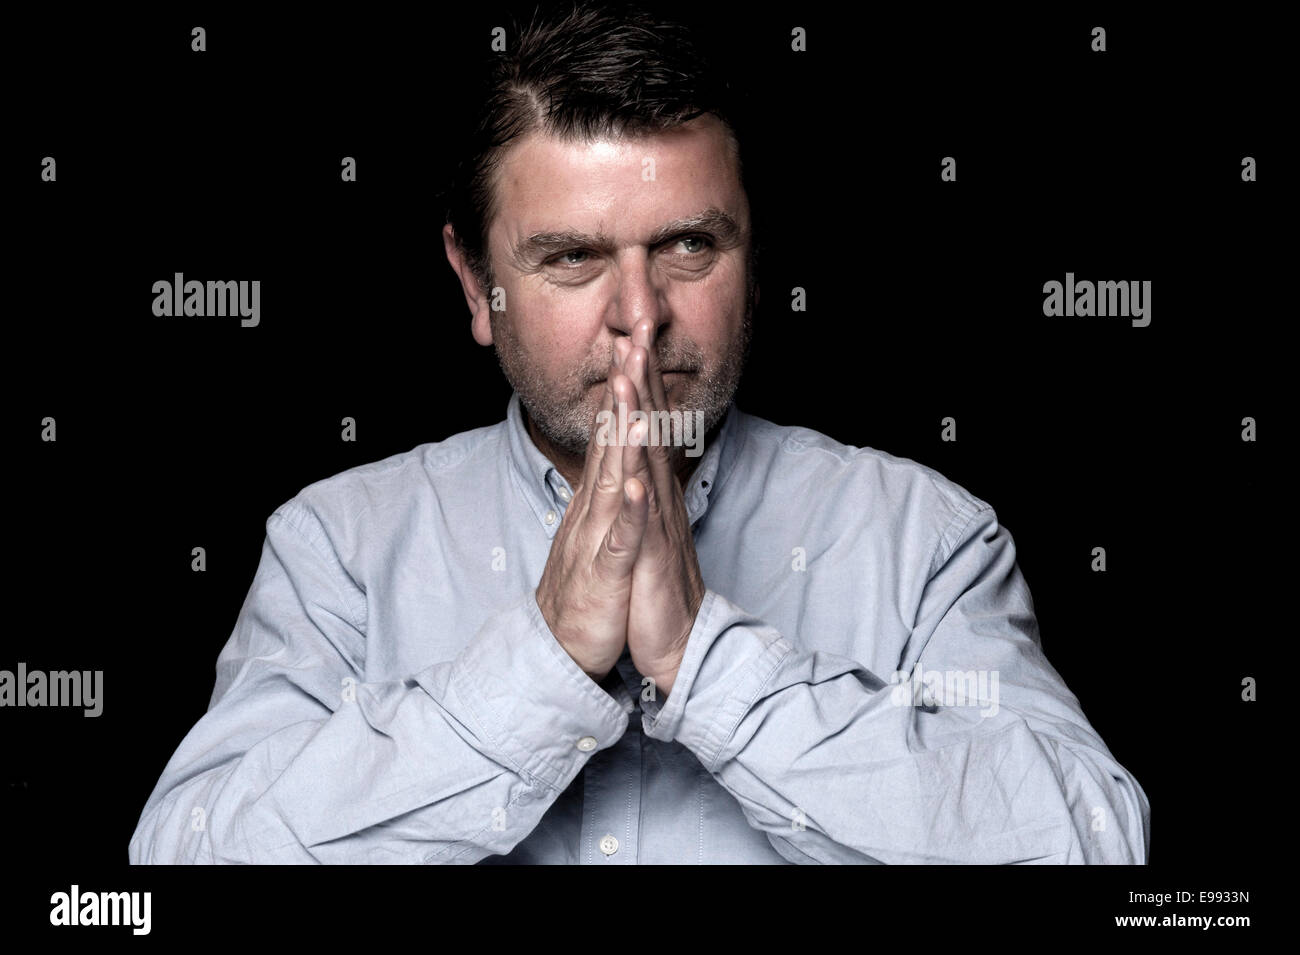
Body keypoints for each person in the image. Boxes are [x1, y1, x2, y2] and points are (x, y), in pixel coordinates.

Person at [129, 1, 1149, 864]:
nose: (639, 316)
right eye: (572, 257)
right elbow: (184, 858)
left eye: (689, 246)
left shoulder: (922, 537)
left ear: (754, 261)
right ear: (474, 285)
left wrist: (709, 659)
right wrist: (540, 664)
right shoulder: (338, 549)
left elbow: (1096, 845)